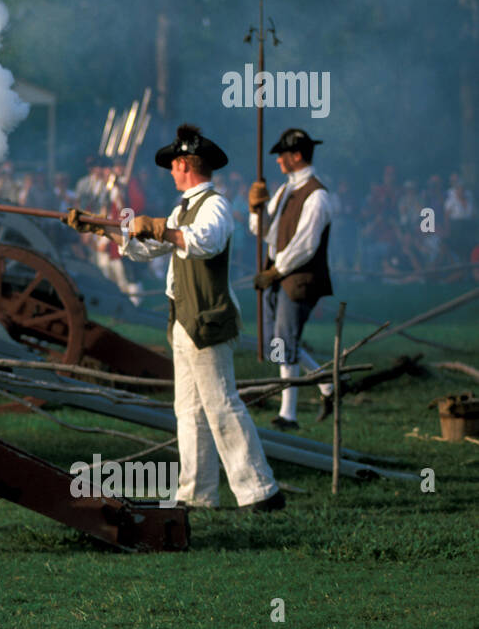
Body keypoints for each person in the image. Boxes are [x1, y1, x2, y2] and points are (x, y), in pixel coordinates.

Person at [63, 123, 283, 512]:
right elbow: (144, 251)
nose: (170, 170)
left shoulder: (213, 204)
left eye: (174, 163)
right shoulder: (181, 209)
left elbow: (204, 242)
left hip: (207, 318)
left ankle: (259, 492)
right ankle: (197, 494)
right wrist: (100, 226)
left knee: (222, 405)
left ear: (185, 164)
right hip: (183, 320)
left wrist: (161, 227)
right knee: (189, 411)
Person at [248, 127, 336, 428]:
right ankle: (329, 385)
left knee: (284, 344)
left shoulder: (318, 196)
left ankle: (288, 414)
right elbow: (265, 232)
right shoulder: (285, 191)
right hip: (279, 275)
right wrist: (255, 209)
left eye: (282, 155)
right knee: (279, 344)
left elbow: (305, 245)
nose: (277, 161)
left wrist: (275, 270)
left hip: (299, 279)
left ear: (296, 156)